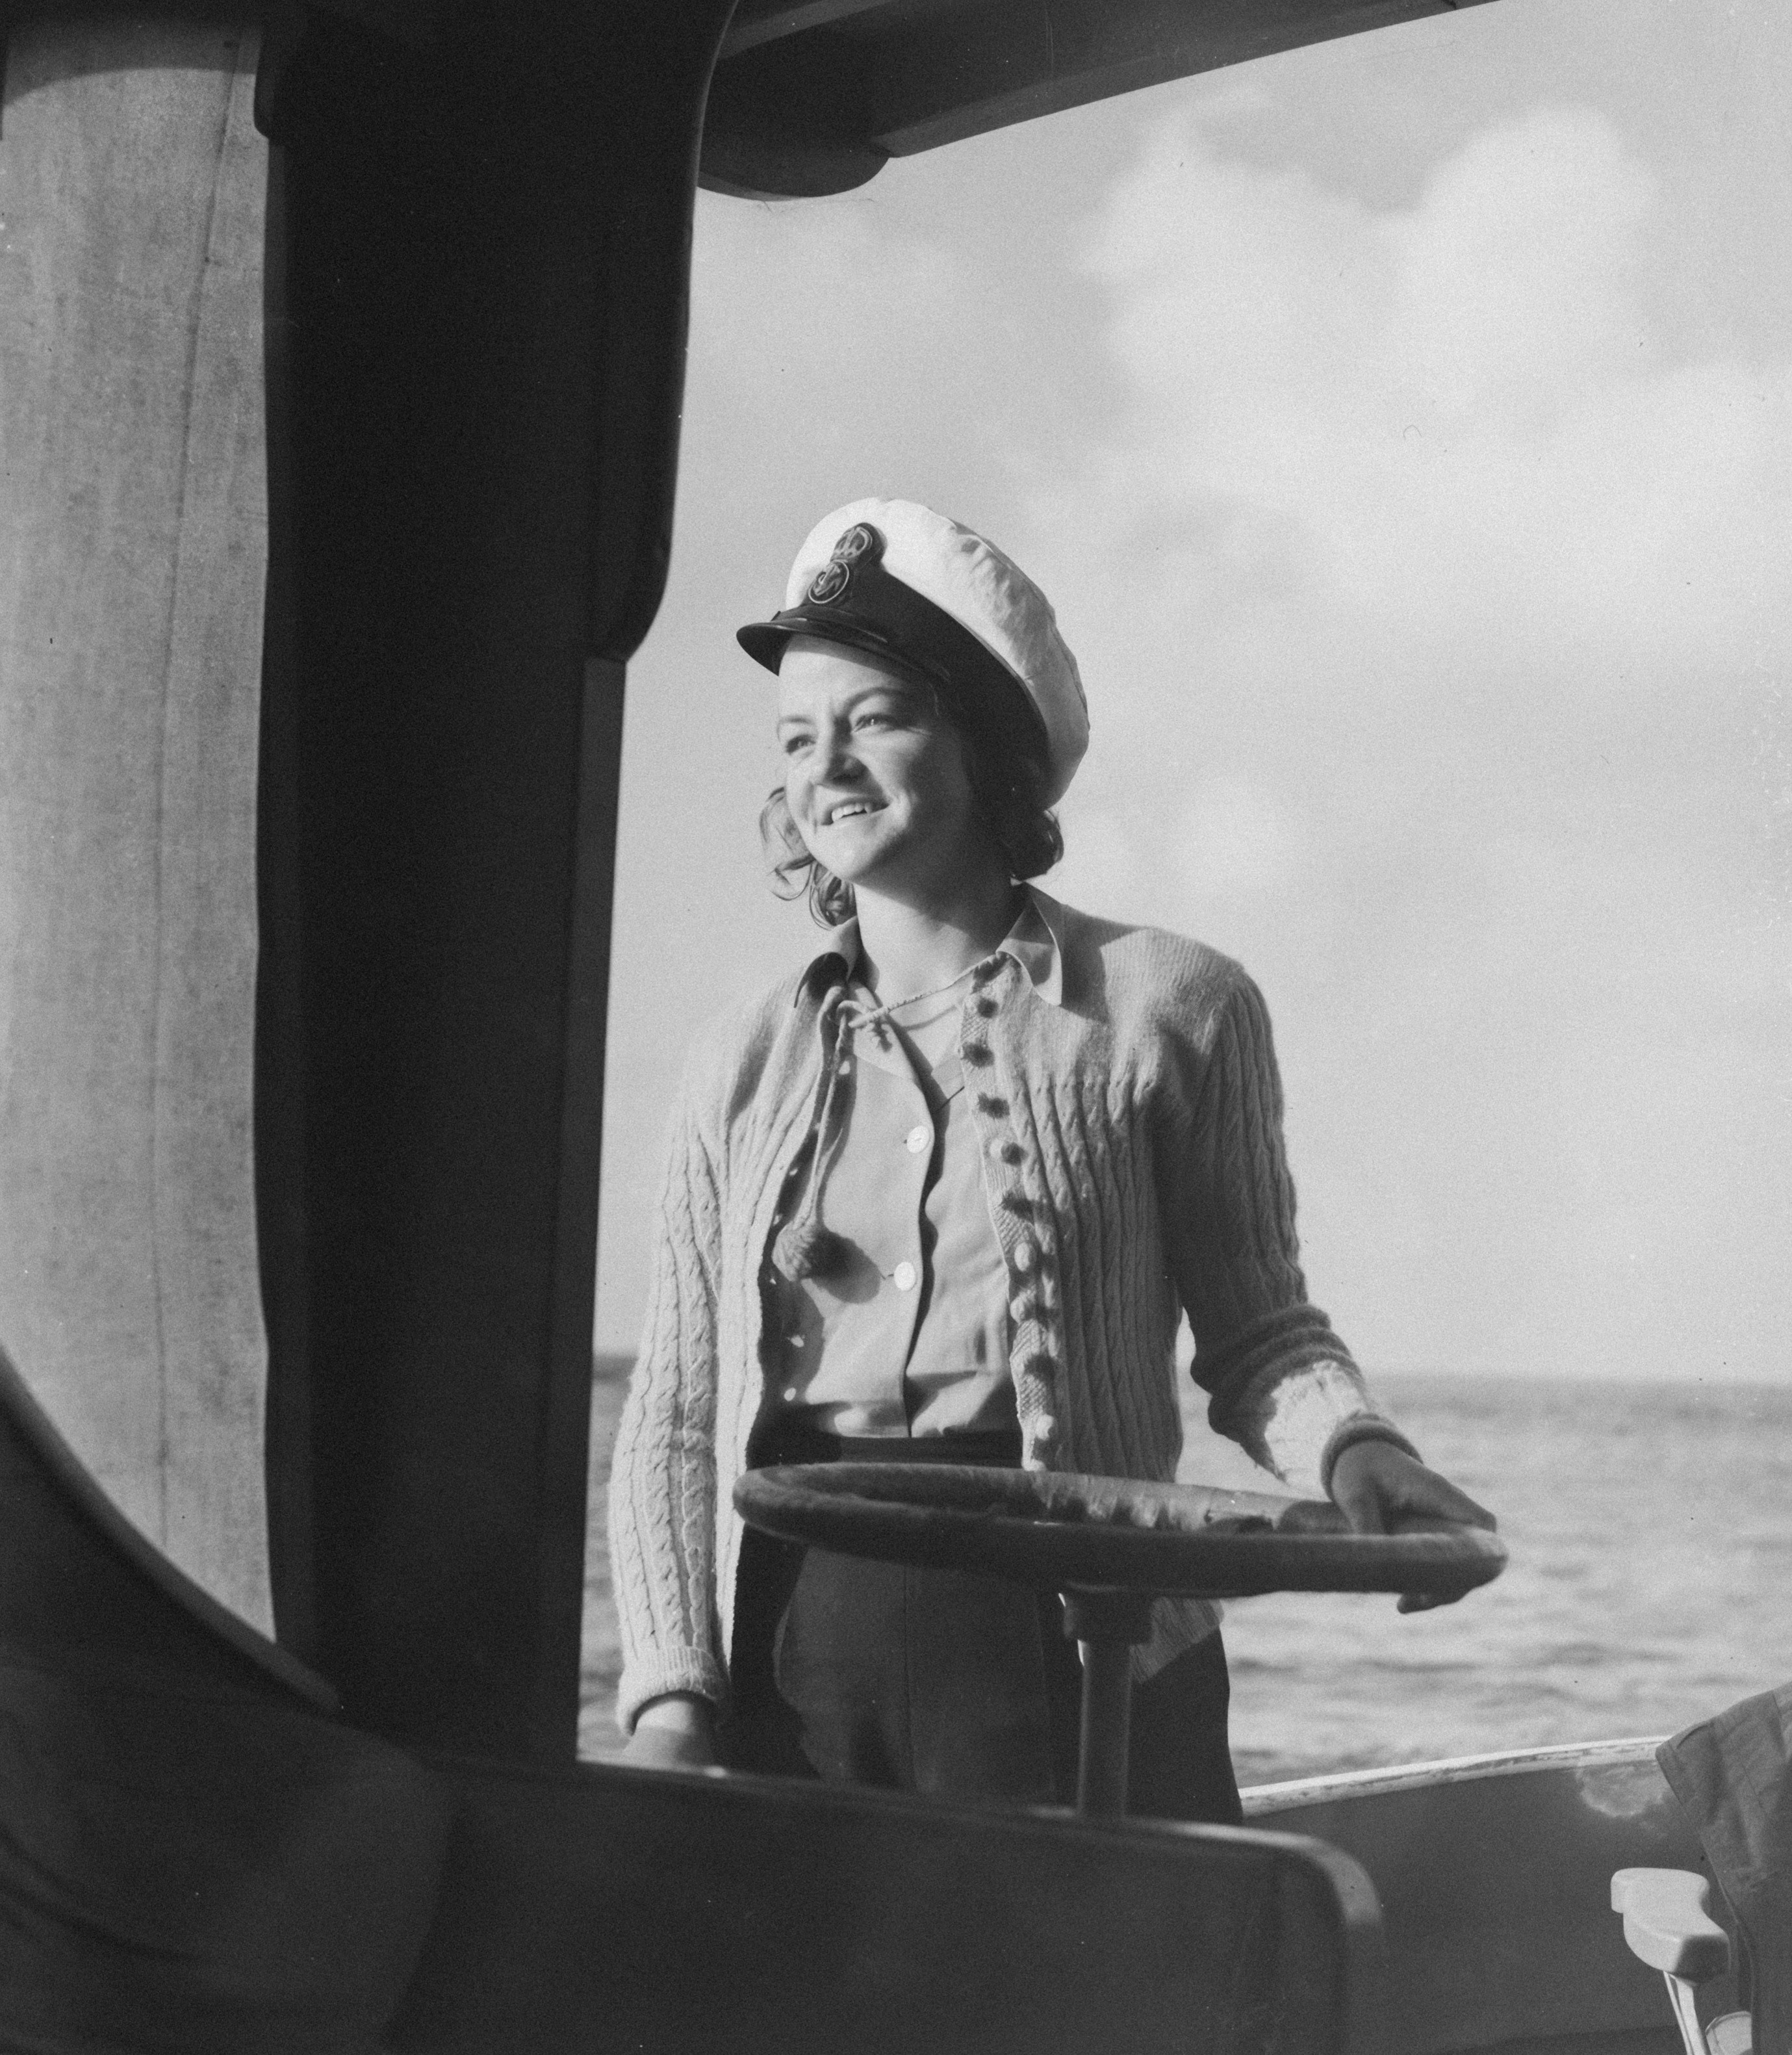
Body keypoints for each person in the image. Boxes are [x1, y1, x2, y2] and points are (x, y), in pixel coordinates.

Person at [608, 498, 1493, 1818]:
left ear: (982, 743)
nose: (825, 767)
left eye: (876, 719)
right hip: (797, 1650)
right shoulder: (737, 1061)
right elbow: (677, 1415)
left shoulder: (1171, 1004)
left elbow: (1259, 1337)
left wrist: (1354, 1452)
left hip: (1084, 1639)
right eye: (798, 736)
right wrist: (673, 1697)